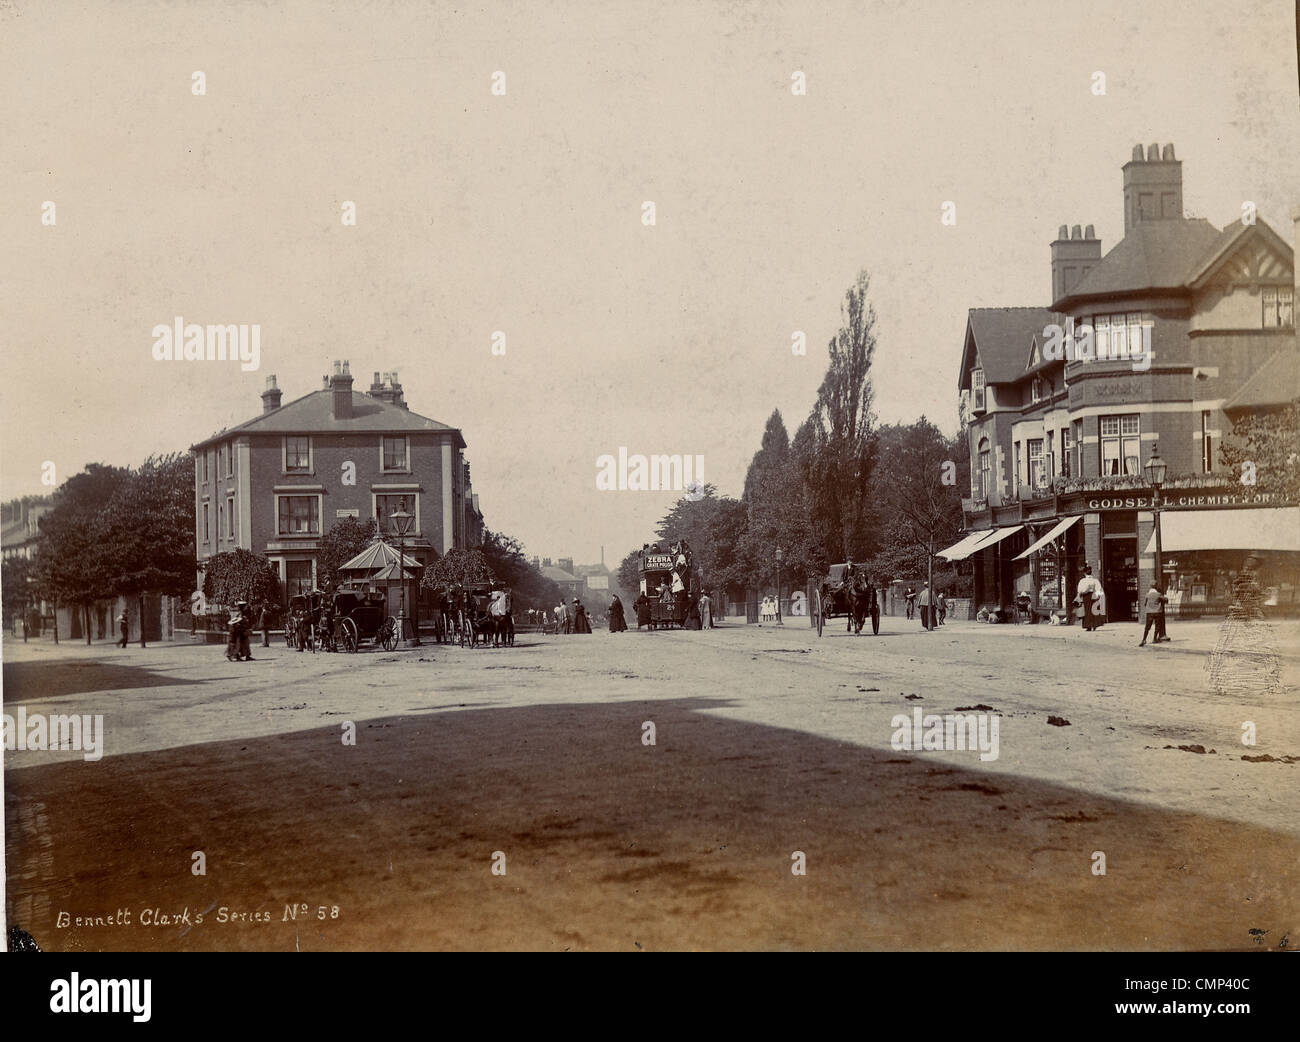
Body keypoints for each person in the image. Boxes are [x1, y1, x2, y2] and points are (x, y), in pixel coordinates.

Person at [1076, 566, 1103, 631]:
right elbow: (1099, 589)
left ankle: (1088, 626)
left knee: (1087, 611)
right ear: (1091, 572)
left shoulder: (1082, 581)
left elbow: (1079, 590)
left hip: (1086, 596)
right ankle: (1094, 625)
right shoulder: (1095, 580)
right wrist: (1098, 596)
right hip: (1094, 595)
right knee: (1094, 610)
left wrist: (1080, 595)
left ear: (1084, 573)